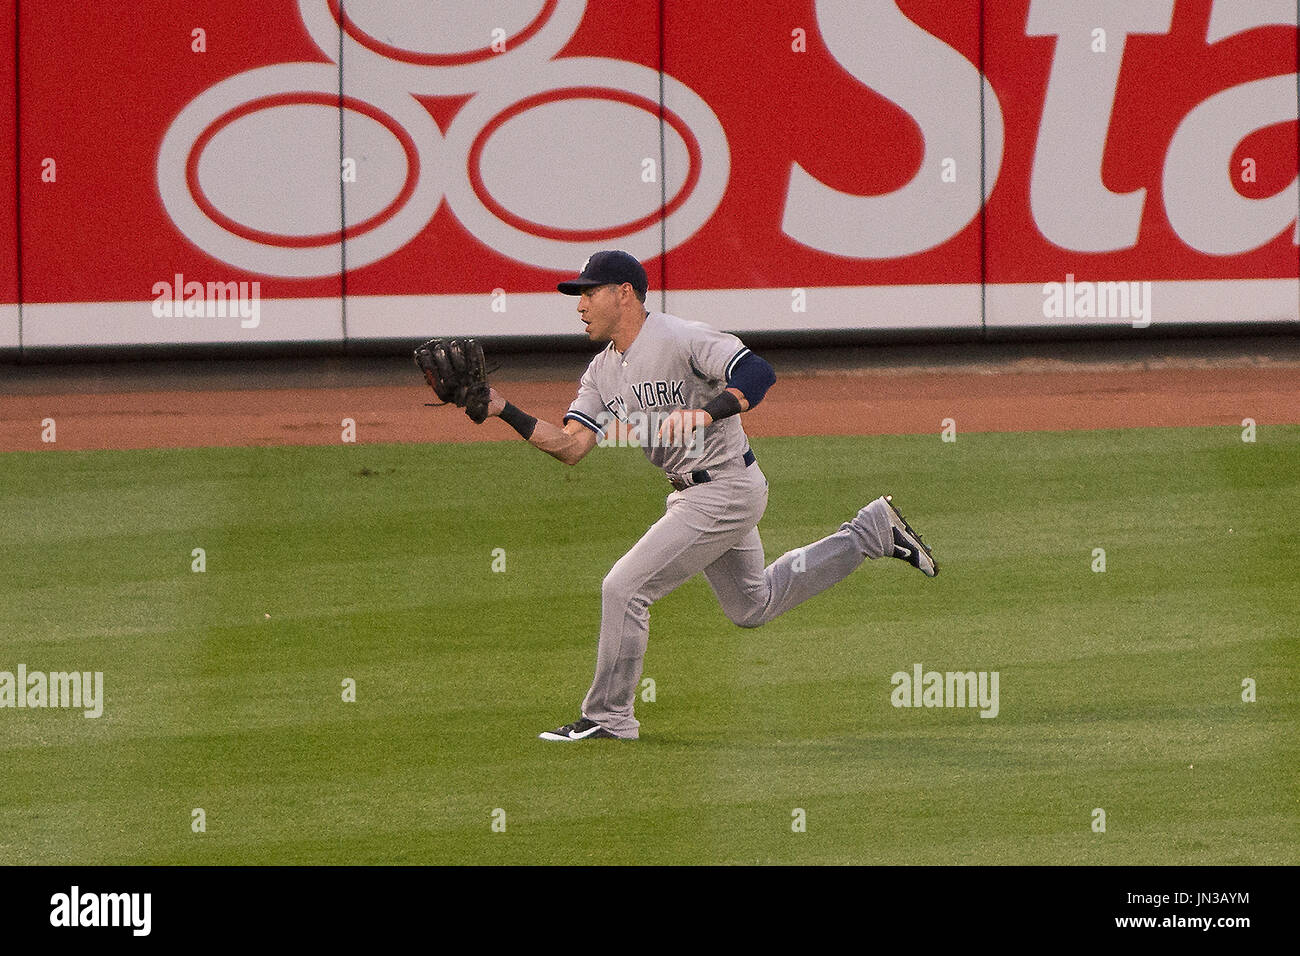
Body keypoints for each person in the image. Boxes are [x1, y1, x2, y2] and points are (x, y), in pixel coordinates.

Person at [474, 250, 938, 741]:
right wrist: (503, 409)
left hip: (724, 488)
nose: (580, 305)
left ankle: (608, 718)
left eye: (589, 292)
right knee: (751, 605)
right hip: (698, 492)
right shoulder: (601, 371)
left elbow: (758, 373)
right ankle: (869, 533)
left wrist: (706, 413)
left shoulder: (680, 337)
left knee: (624, 588)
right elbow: (571, 446)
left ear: (624, 293)